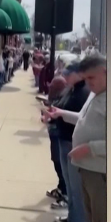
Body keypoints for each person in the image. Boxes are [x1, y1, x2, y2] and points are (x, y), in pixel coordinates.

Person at [47, 54, 107, 222]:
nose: (88, 83)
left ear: (105, 71)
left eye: (92, 77)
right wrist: (61, 113)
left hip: (102, 172)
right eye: (86, 78)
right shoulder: (97, 95)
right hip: (88, 169)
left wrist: (90, 148)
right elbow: (82, 119)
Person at [50, 61, 92, 222]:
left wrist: (60, 113)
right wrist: (55, 113)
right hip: (64, 139)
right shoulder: (71, 89)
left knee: (76, 189)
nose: (65, 77)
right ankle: (72, 220)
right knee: (69, 185)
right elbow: (61, 105)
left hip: (73, 142)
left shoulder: (85, 93)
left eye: (69, 74)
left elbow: (83, 120)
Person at [45, 74, 69, 209]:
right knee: (56, 160)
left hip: (58, 132)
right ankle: (61, 187)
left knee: (59, 162)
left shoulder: (63, 97)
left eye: (54, 86)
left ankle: (65, 193)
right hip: (54, 132)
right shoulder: (57, 97)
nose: (51, 88)